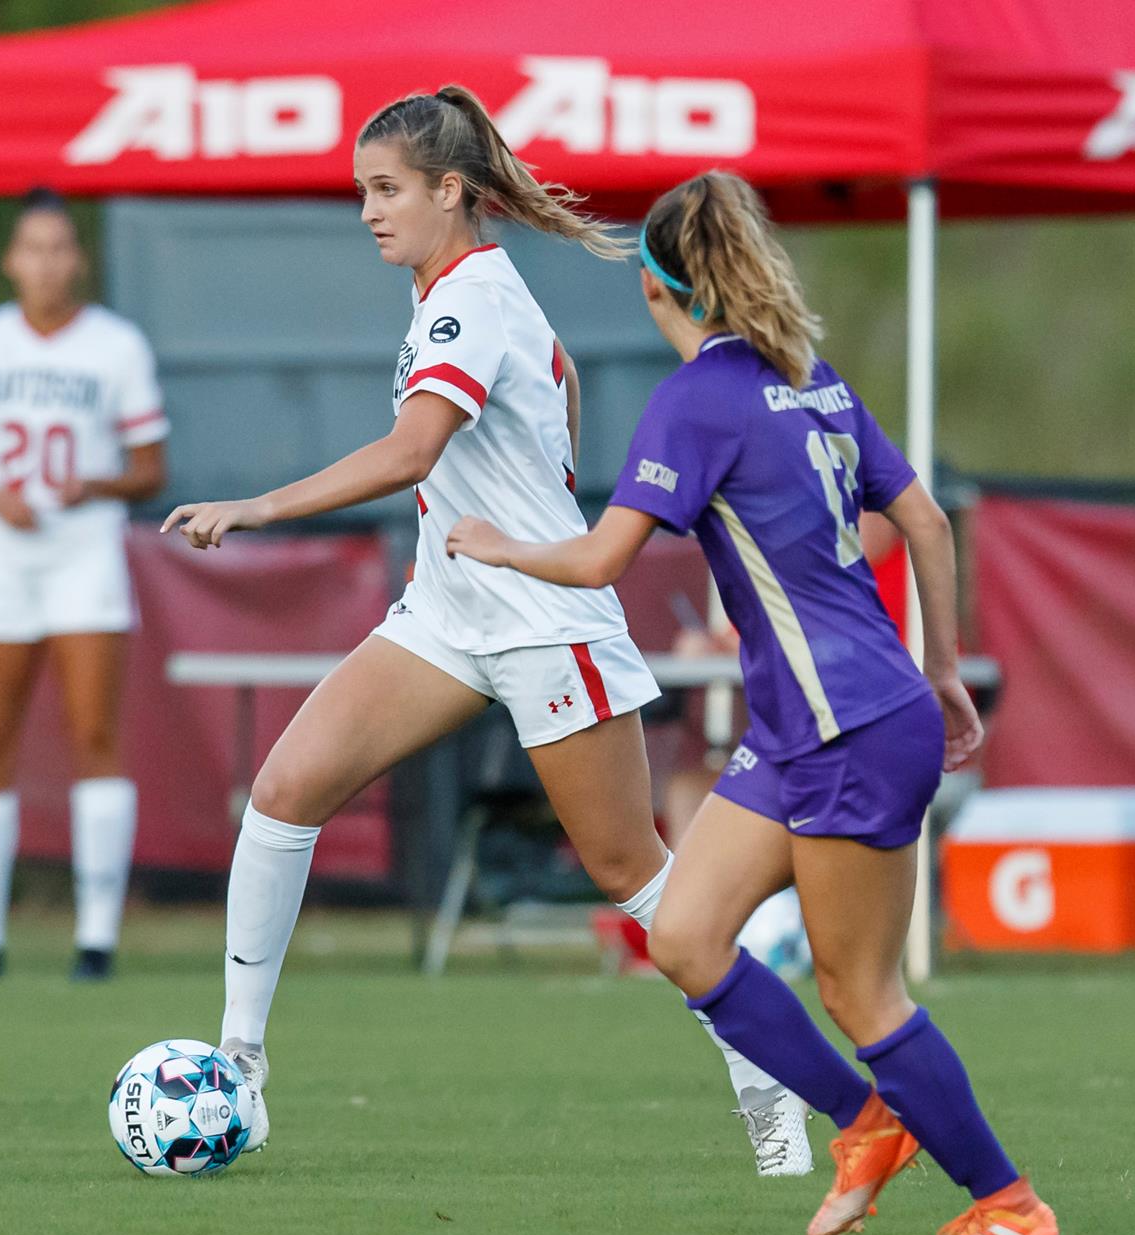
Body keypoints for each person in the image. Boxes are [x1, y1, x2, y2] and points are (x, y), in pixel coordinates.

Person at [161, 88, 810, 1175]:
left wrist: (254, 506)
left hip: (543, 618)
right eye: (360, 190)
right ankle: (238, 1071)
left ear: (447, 191)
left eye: (385, 190)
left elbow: (411, 451)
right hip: (448, 610)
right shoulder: (444, 294)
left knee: (639, 880)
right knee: (282, 793)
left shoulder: (471, 301)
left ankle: (769, 1075)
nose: (366, 211)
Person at [444, 170, 1058, 1235]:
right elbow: (922, 520)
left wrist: (494, 542)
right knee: (681, 937)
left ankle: (1006, 1201)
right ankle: (867, 1124)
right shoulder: (806, 376)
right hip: (814, 725)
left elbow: (596, 560)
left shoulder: (700, 397)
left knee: (856, 991)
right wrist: (945, 670)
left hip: (847, 728)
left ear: (656, 289)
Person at [0, 189, 169, 983]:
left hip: (83, 554)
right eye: (32, 248)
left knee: (94, 734)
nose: (46, 263)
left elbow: (148, 469)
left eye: (60, 248)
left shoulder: (116, 346)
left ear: (78, 259)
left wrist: (91, 488)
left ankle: (96, 938)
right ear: (11, 259)